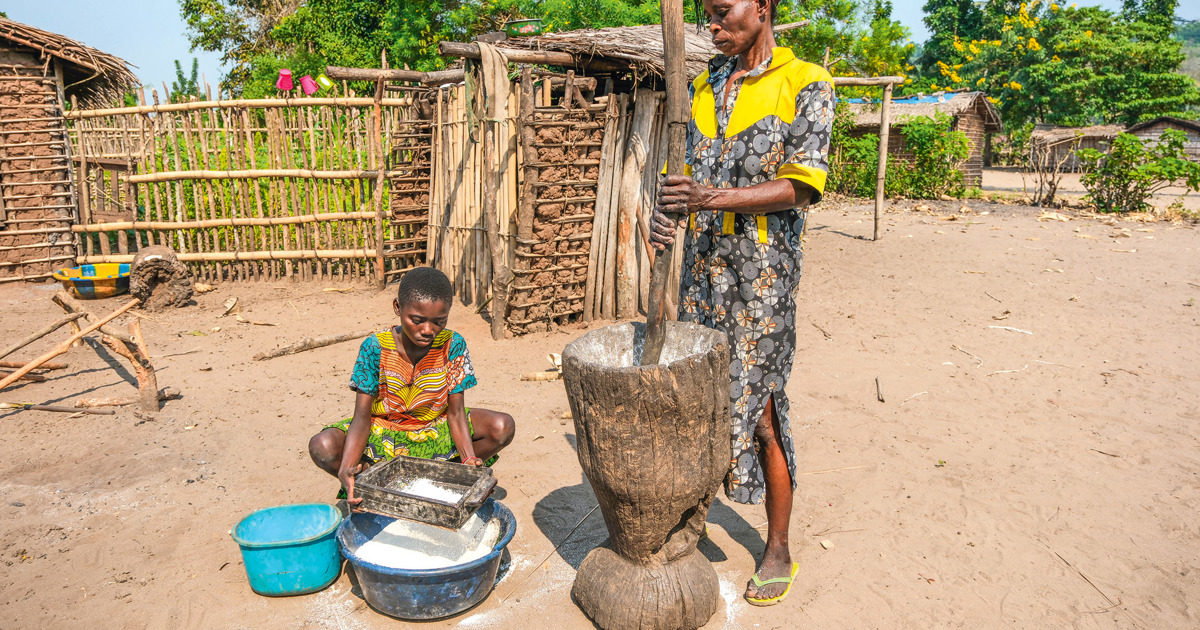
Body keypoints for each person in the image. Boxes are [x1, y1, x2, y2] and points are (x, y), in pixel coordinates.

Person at [649, 0, 835, 607]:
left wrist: (711, 197)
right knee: (697, 400)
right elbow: (683, 181)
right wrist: (667, 214)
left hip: (763, 280)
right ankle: (689, 521)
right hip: (701, 274)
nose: (713, 25)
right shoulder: (702, 87)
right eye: (705, 15)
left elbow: (802, 185)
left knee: (760, 409)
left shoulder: (804, 81)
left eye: (724, 12)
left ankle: (777, 546)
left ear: (764, 7)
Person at [308, 266, 515, 509]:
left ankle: (441, 483)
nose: (428, 330)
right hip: (383, 431)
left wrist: (469, 458)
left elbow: (456, 412)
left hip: (434, 428)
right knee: (323, 445)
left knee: (502, 426)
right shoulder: (375, 347)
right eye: (417, 320)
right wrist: (346, 468)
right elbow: (362, 418)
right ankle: (374, 483)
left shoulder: (453, 344)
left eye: (439, 321)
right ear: (398, 307)